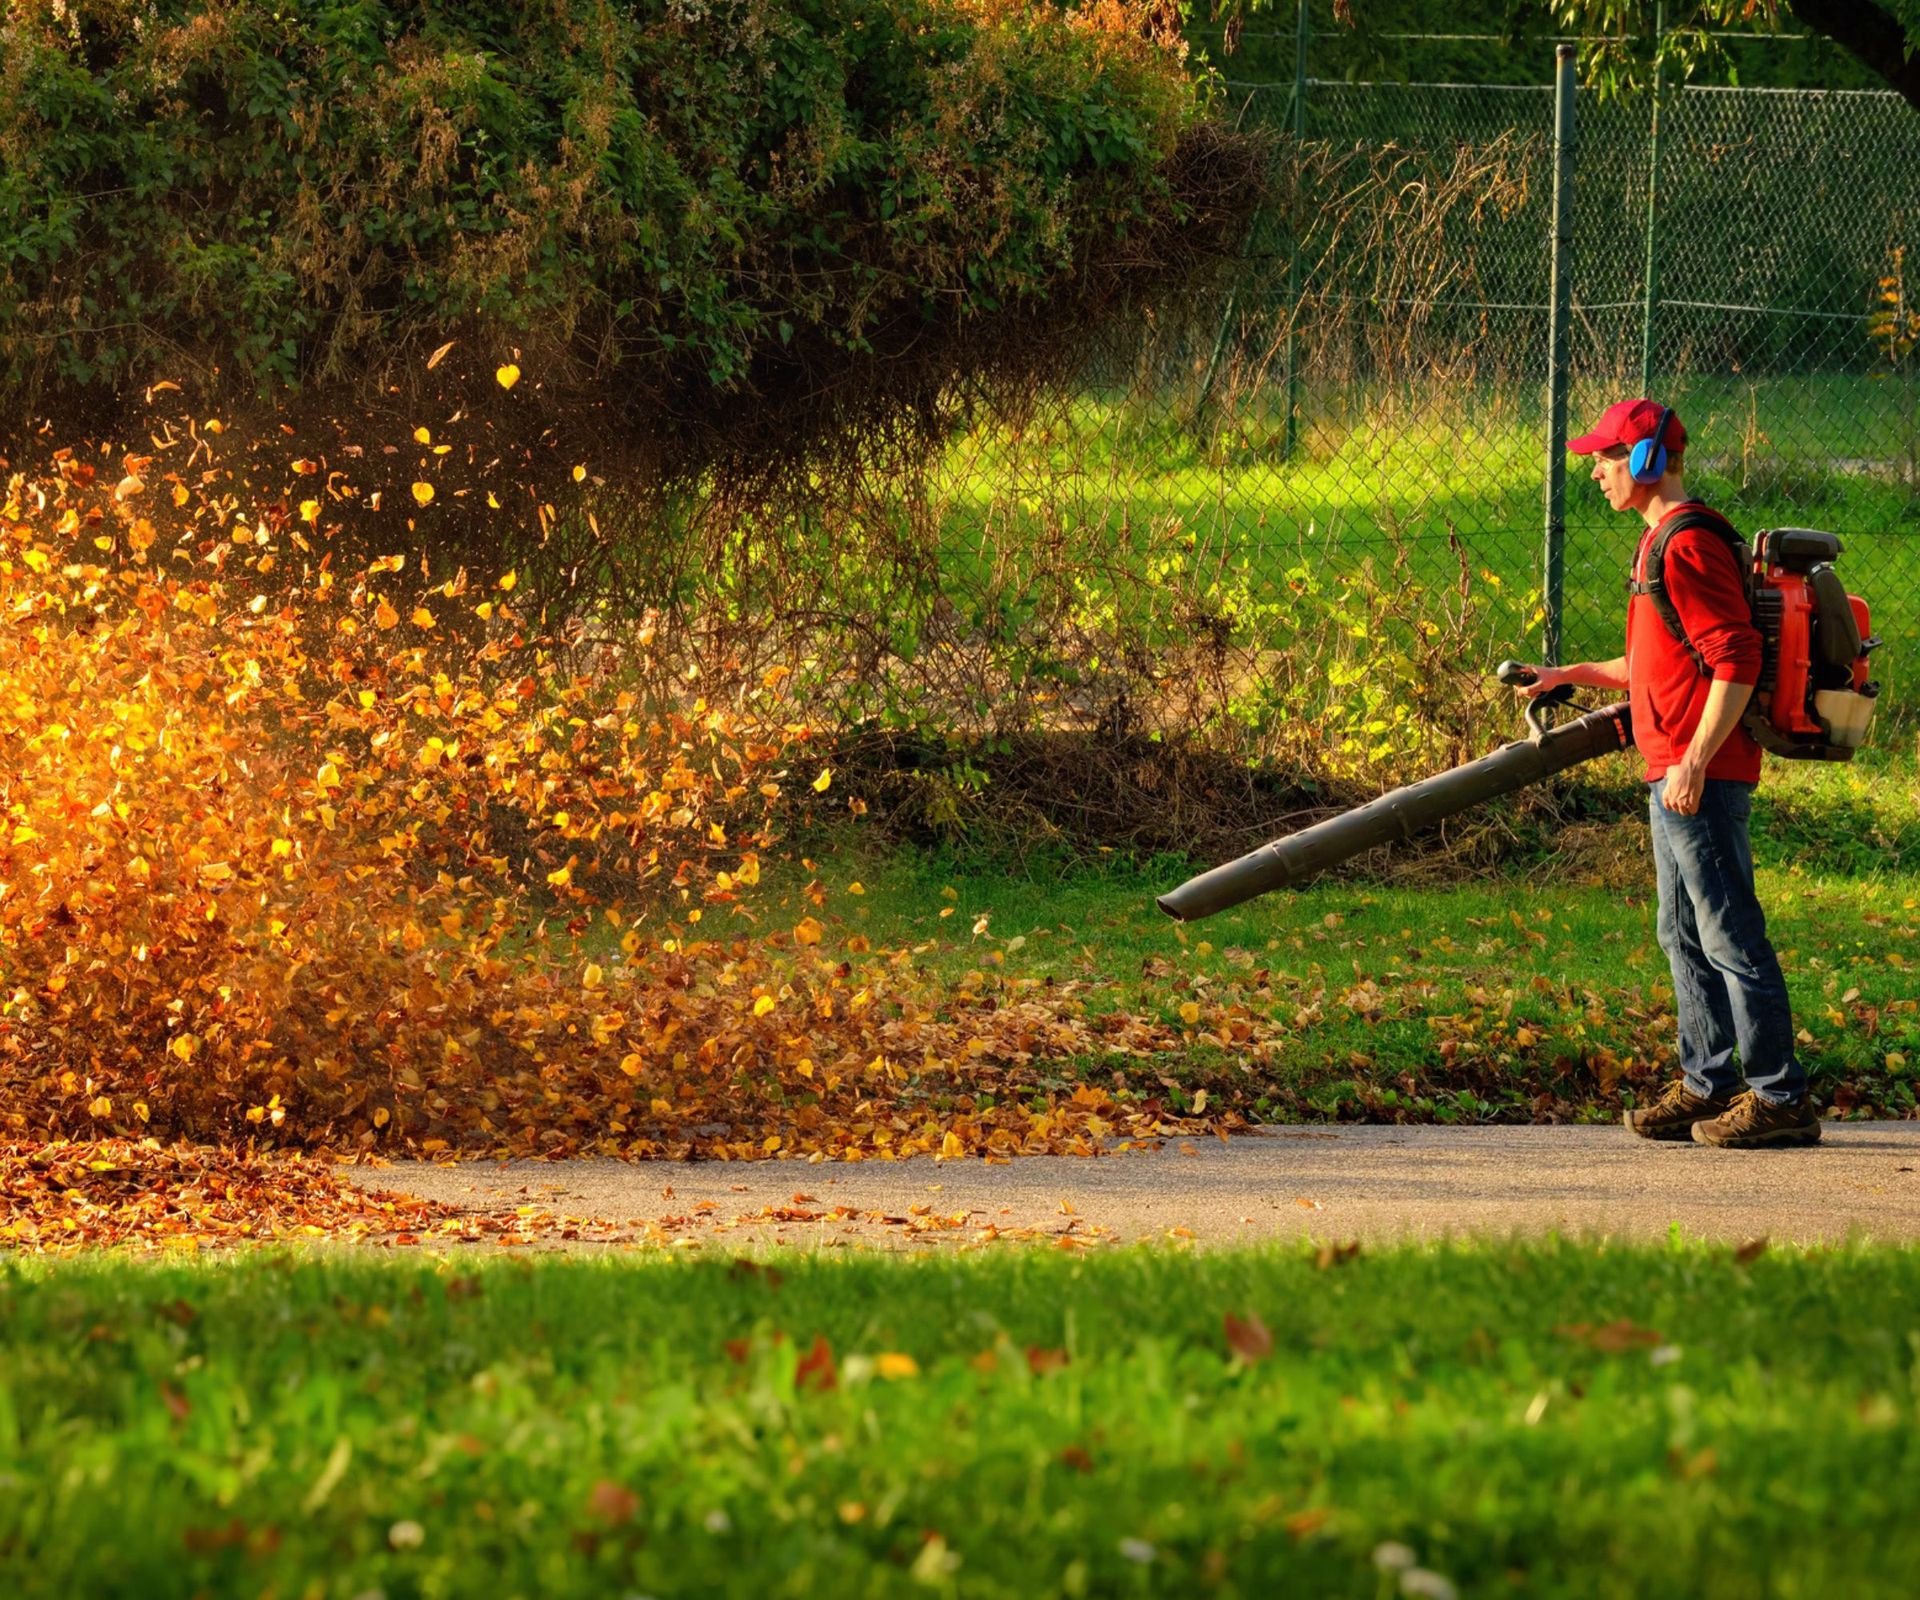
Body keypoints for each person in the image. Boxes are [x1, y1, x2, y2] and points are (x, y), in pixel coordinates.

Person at [1514, 398, 1819, 1148]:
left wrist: (1694, 759)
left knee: (1728, 933)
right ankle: (1707, 1083)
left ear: (1647, 461)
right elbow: (1660, 659)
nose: (1595, 473)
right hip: (1676, 769)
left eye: (1607, 459)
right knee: (1681, 933)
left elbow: (1736, 658)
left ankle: (1780, 1095)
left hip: (1699, 775)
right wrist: (1570, 672)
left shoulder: (1685, 546)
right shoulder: (1659, 546)